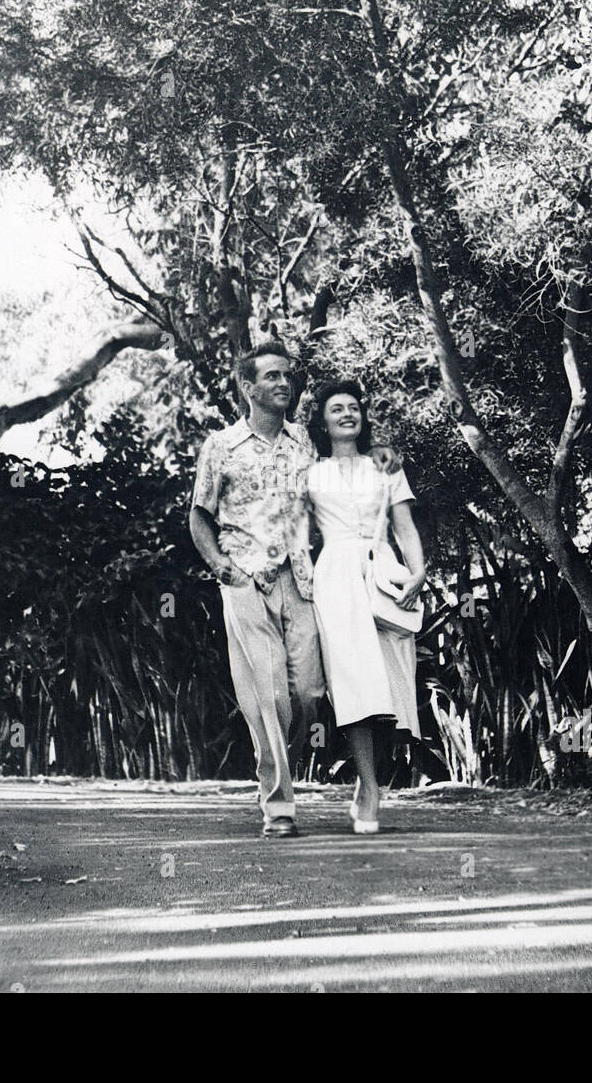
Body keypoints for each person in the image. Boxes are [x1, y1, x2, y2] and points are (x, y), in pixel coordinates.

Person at [189, 344, 400, 838]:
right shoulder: (220, 446)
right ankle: (279, 808)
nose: (284, 383)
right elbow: (199, 515)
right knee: (269, 698)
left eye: (288, 376)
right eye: (272, 376)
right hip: (246, 580)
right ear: (248, 387)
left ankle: (283, 767)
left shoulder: (304, 440)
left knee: (308, 694)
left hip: (302, 580)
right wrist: (223, 568)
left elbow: (344, 474)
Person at [306, 380, 426, 834]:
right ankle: (370, 786)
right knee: (353, 683)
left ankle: (368, 784)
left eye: (353, 407)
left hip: (382, 573)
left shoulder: (385, 467)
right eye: (336, 408)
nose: (346, 414)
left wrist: (418, 572)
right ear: (323, 420)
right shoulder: (310, 472)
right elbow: (294, 529)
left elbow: (405, 525)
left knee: (389, 684)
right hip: (335, 576)